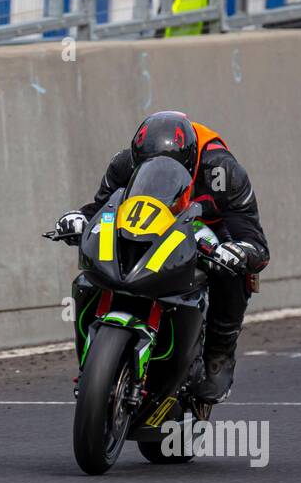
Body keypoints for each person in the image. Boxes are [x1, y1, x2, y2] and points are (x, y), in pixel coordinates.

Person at [55, 110, 269, 403]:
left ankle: (219, 355)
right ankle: (96, 353)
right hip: (152, 223)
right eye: (148, 167)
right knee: (96, 262)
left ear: (190, 161)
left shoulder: (223, 173)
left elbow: (254, 241)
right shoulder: (124, 164)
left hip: (210, 228)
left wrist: (239, 252)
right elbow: (103, 208)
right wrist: (78, 219)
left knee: (234, 272)